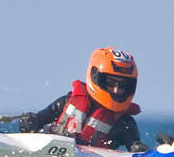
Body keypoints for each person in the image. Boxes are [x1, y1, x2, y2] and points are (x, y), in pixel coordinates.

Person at [17, 47, 160, 151]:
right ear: (96, 77)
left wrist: (144, 150)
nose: (116, 90)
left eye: (122, 85)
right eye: (111, 83)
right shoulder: (67, 102)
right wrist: (29, 122)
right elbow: (35, 124)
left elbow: (136, 153)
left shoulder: (124, 122)